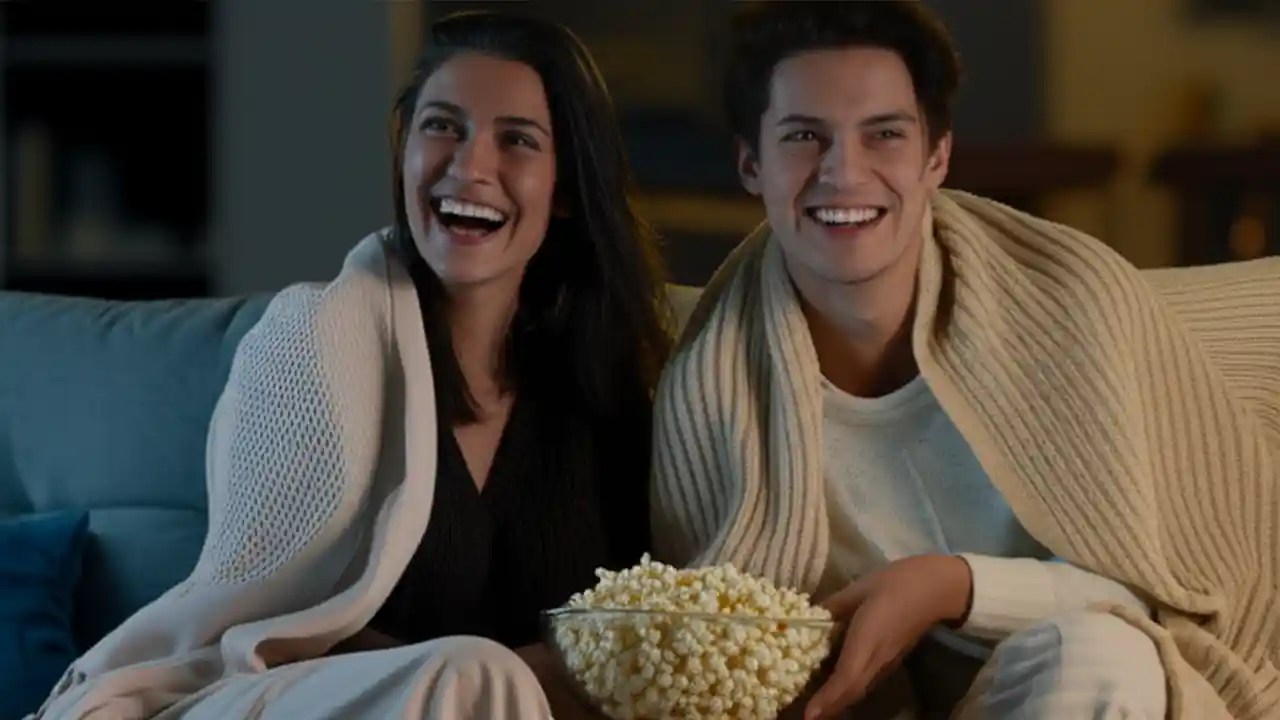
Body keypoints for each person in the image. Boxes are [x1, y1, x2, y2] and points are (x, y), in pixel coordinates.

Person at [33, 11, 673, 720]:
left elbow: (629, 639)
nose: (469, 167)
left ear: (566, 190)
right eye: (442, 126)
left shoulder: (610, 390)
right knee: (473, 673)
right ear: (405, 151)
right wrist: (506, 673)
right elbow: (263, 624)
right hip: (289, 701)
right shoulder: (310, 340)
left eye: (517, 139)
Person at [650, 2, 1279, 719]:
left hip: (1066, 688)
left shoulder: (1072, 305)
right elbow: (710, 661)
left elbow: (1168, 596)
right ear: (751, 165)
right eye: (803, 136)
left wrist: (950, 587)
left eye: (884, 133)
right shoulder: (707, 386)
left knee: (1104, 652)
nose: (844, 172)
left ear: (937, 157)